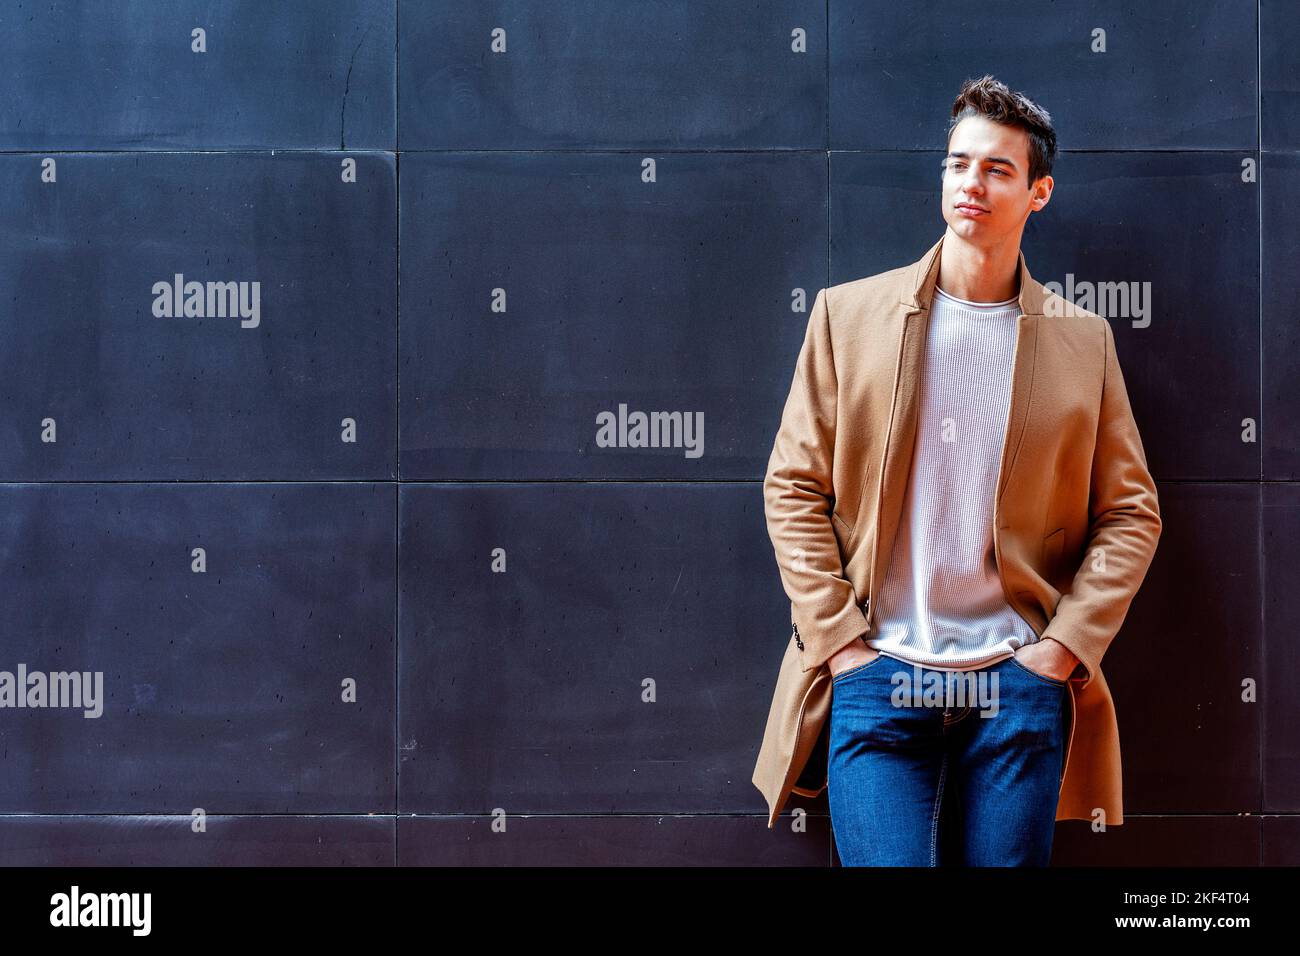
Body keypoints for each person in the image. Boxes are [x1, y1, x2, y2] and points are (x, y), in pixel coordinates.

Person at [751, 75, 1162, 866]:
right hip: (877, 673)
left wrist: (1062, 650)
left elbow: (1131, 513)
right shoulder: (849, 316)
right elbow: (793, 487)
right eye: (956, 164)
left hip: (1016, 682)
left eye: (997, 170)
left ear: (1040, 191)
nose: (970, 183)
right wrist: (840, 645)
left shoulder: (1084, 342)